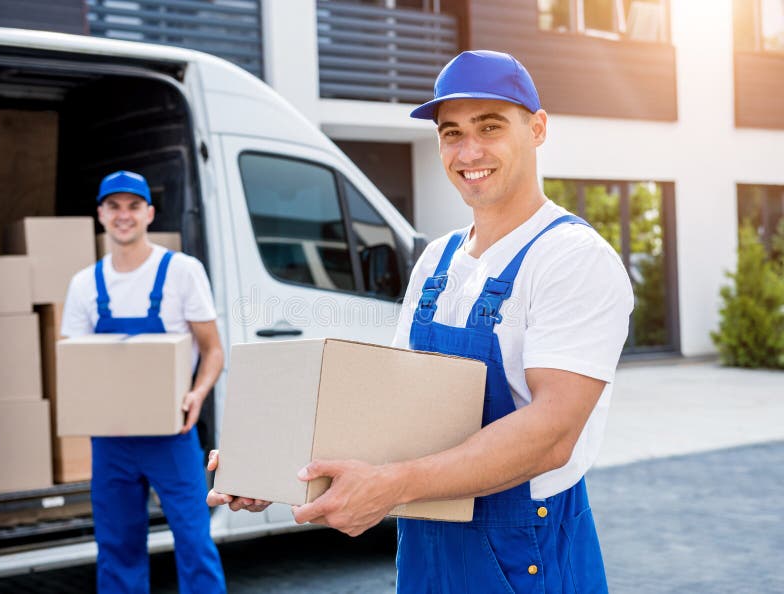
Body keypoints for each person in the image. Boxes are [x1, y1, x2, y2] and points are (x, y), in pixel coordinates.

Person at [207, 50, 634, 592]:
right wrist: (278, 466)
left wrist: (393, 485)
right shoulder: (437, 261)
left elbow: (552, 435)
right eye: (452, 133)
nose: (469, 151)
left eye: (490, 127)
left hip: (524, 550)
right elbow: (395, 411)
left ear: (537, 129)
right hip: (427, 540)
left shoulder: (572, 258)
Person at [62, 170, 226, 594]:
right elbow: (77, 365)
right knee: (117, 548)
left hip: (172, 434)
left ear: (149, 214)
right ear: (101, 214)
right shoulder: (84, 284)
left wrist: (198, 393)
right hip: (111, 440)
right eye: (113, 206)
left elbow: (213, 350)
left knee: (194, 541)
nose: (124, 215)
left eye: (133, 206)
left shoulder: (182, 272)